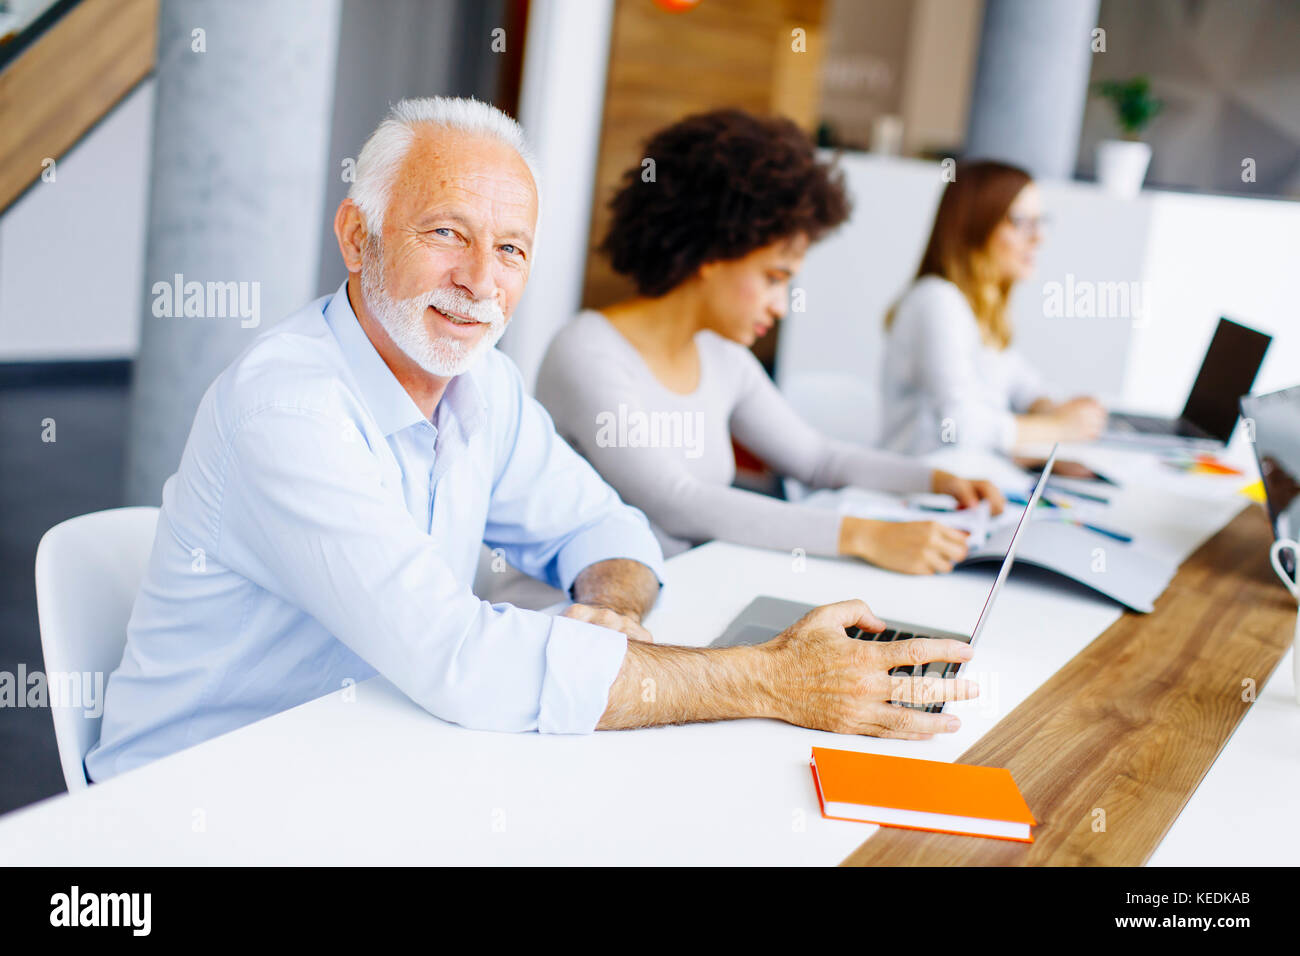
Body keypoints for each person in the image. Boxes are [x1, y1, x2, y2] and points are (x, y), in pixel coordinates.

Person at [87, 98, 976, 782]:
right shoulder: (287, 409)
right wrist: (772, 680)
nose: (480, 280)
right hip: (196, 803)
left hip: (368, 755)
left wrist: (614, 616)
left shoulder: (485, 384)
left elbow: (609, 530)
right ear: (359, 238)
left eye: (511, 250)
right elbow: (457, 659)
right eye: (446, 233)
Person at [537, 109, 1003, 575]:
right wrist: (861, 535)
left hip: (682, 592)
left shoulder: (721, 356)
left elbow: (819, 460)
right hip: (574, 611)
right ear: (713, 252)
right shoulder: (587, 352)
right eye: (773, 278)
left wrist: (937, 480)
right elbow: (677, 502)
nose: (781, 306)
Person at [880, 160, 1107, 455]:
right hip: (920, 485)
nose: (1039, 237)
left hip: (967, 477)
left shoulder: (980, 307)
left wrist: (1055, 410)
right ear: (976, 225)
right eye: (1021, 222)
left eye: (1040, 222)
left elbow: (1022, 384)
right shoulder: (937, 301)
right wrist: (1060, 428)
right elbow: (960, 425)